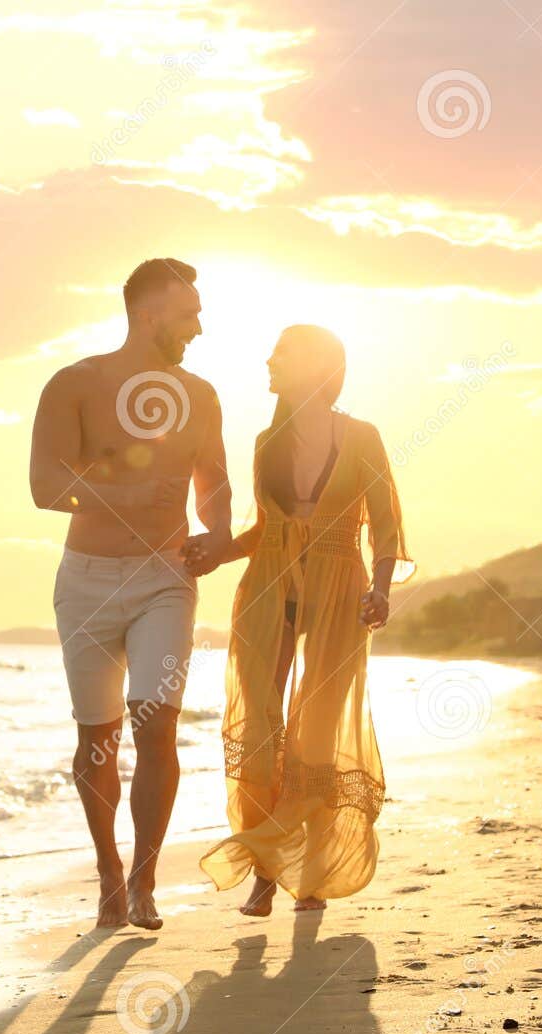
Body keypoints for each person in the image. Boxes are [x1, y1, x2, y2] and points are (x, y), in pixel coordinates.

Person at [28, 258, 232, 929]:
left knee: (157, 723)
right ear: (149, 315)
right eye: (189, 314)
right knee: (97, 739)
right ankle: (108, 872)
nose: (199, 327)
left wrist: (220, 528)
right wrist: (125, 495)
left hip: (164, 581)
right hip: (85, 580)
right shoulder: (74, 385)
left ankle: (144, 880)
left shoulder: (200, 397)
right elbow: (45, 486)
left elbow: (216, 482)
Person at [184, 324, 413, 916]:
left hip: (341, 589)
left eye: (280, 354)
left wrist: (382, 590)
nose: (268, 361)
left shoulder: (362, 436)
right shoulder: (267, 441)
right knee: (262, 723)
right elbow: (265, 531)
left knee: (315, 729)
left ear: (314, 366)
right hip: (269, 587)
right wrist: (217, 552)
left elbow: (385, 521)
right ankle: (263, 872)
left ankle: (307, 872)